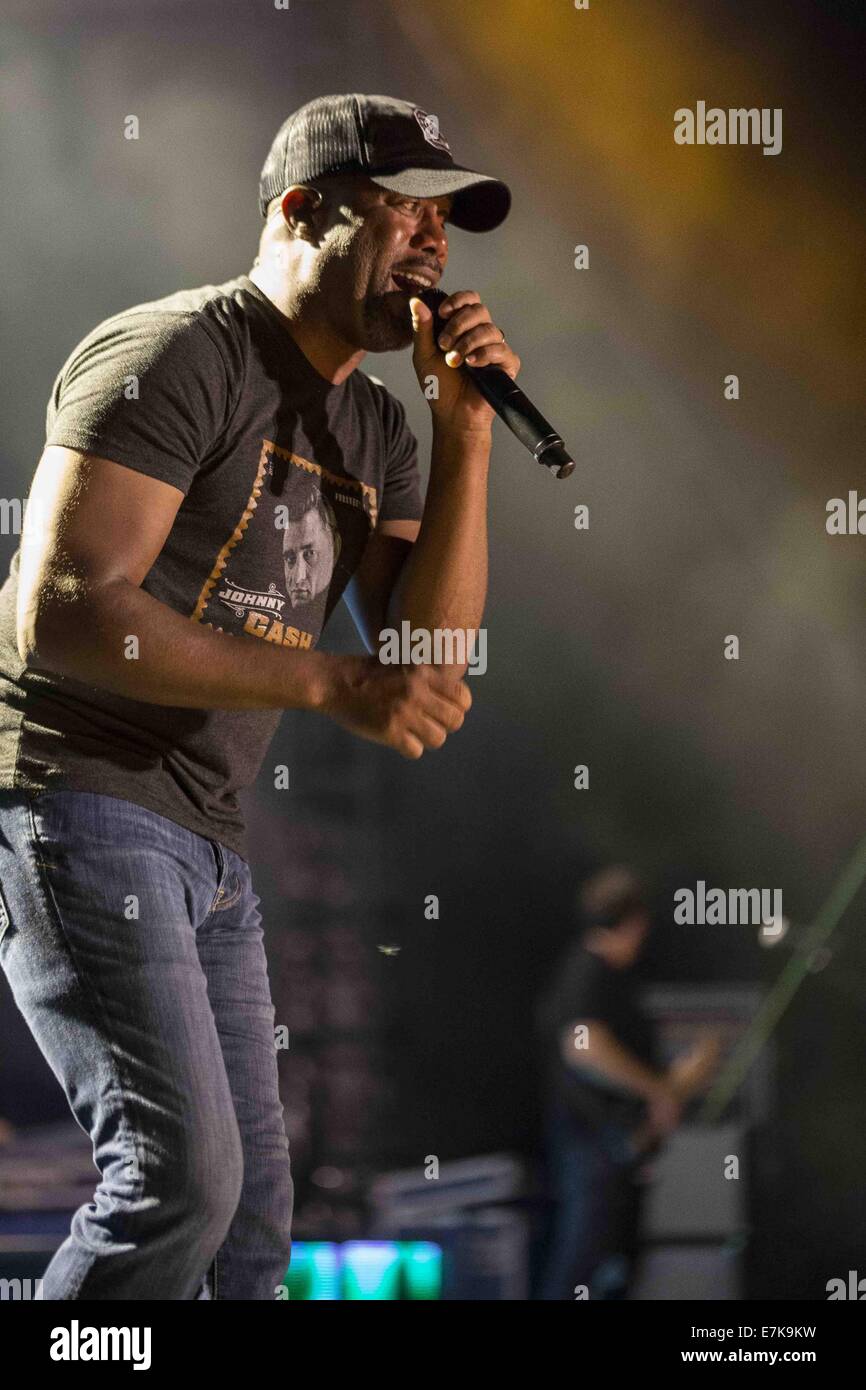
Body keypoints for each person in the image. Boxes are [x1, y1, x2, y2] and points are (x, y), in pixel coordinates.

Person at [0, 94, 519, 1300]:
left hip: (207, 839)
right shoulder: (177, 352)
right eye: (401, 210)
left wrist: (464, 438)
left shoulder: (378, 426)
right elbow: (61, 612)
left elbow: (426, 655)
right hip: (80, 796)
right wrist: (330, 678)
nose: (432, 245)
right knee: (177, 1180)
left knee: (247, 1233)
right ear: (300, 209)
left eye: (446, 223)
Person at [535, 866, 722, 1300]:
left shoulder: (607, 977)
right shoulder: (588, 972)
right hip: (591, 1148)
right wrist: (660, 1089)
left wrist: (675, 1084)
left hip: (614, 1149)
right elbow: (583, 1046)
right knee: (583, 1267)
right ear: (635, 922)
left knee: (611, 1272)